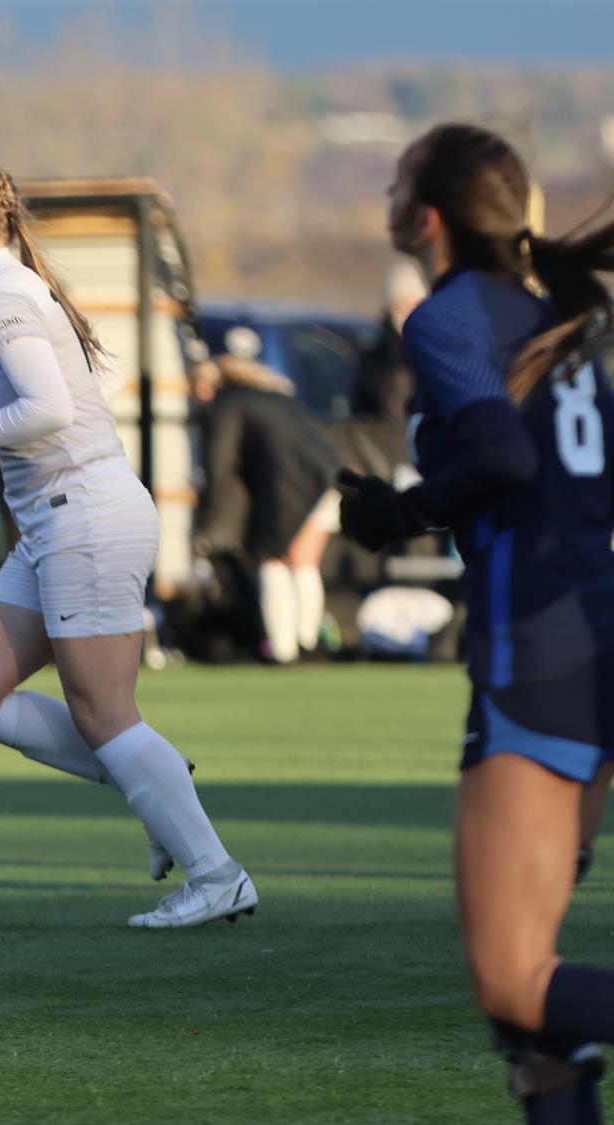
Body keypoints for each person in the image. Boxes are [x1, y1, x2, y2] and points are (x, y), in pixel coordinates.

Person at [337, 122, 614, 1122]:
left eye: (396, 177)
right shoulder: (555, 319)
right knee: (528, 1032)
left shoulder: (448, 316)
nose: (384, 194)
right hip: (587, 642)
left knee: (508, 981)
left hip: (534, 657)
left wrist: (393, 513)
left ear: (428, 215)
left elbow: (500, 459)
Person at [0, 160, 257, 929]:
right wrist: (0, 455)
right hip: (55, 522)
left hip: (86, 520)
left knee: (106, 712)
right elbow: (71, 400)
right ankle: (152, 779)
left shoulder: (4, 295)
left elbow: (51, 407)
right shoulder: (7, 292)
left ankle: (216, 873)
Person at [191, 354, 341, 663]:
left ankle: (283, 651)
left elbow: (219, 463)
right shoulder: (276, 397)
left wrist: (209, 517)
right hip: (327, 478)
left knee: (272, 560)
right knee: (303, 563)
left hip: (287, 488)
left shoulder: (228, 404)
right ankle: (308, 645)